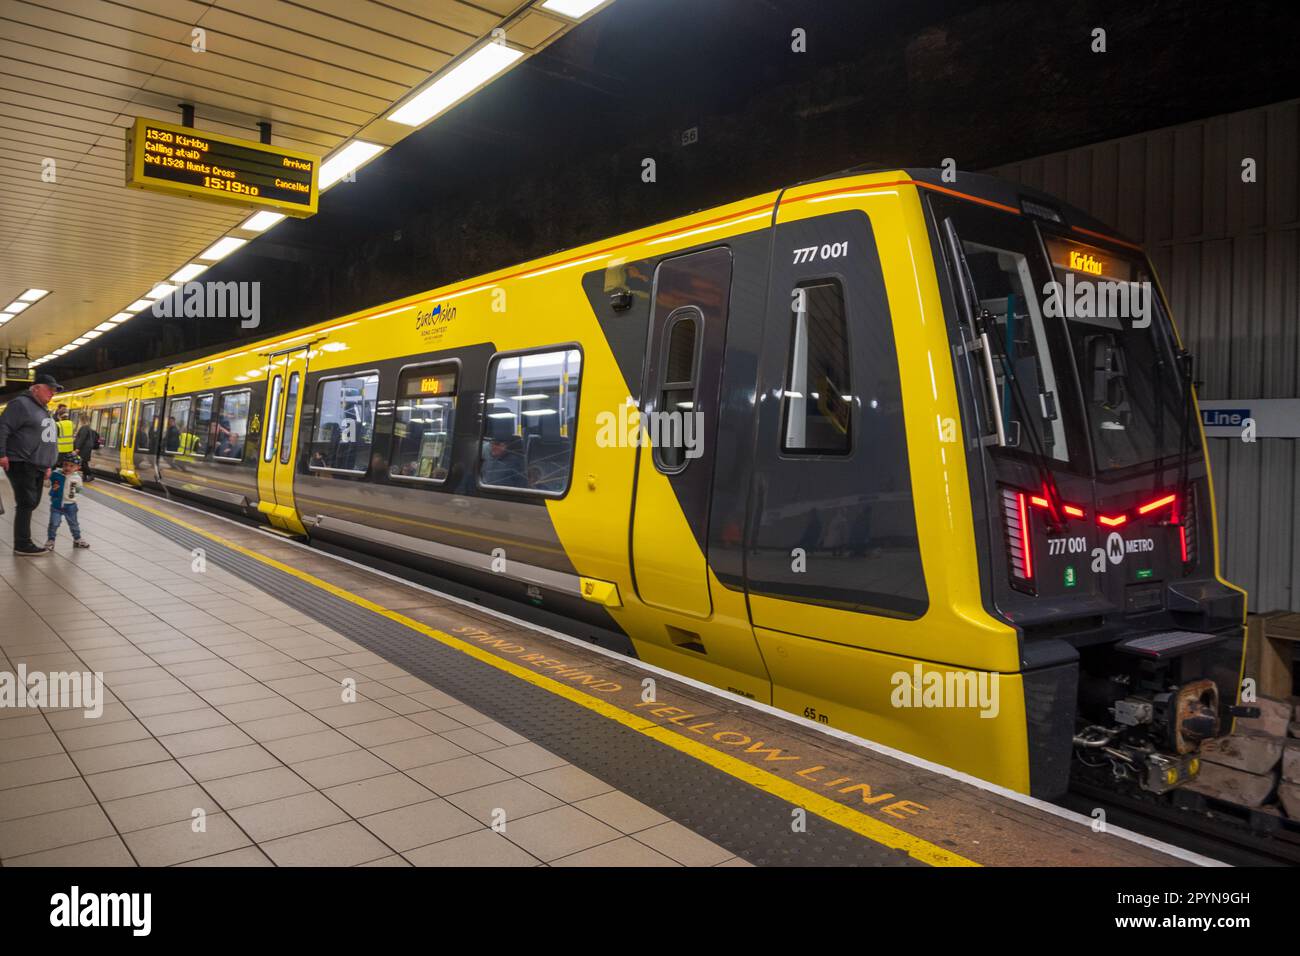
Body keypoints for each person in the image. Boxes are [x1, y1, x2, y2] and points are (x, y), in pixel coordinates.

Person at [0, 373, 62, 556]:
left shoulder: (42, 409)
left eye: (54, 390)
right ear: (36, 388)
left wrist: (48, 463)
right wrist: (1, 453)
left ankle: (23, 542)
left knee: (32, 502)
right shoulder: (20, 404)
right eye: (49, 389)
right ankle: (22, 544)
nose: (52, 393)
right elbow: (3, 428)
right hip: (22, 461)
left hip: (39, 465)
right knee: (26, 502)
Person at [46, 455, 88, 550]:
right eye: (65, 465)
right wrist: (47, 479)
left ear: (78, 467)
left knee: (73, 523)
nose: (67, 468)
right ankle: (50, 540)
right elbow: (47, 483)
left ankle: (77, 539)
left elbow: (79, 490)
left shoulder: (77, 478)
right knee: (54, 523)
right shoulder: (56, 474)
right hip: (56, 505)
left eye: (71, 466)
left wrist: (73, 497)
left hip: (71, 506)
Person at [74, 413, 98, 483]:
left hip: (83, 448)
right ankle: (84, 476)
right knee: (84, 462)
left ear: (82, 420)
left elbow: (82, 439)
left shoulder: (84, 428)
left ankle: (90, 474)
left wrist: (77, 448)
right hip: (86, 448)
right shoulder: (88, 428)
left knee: (82, 462)